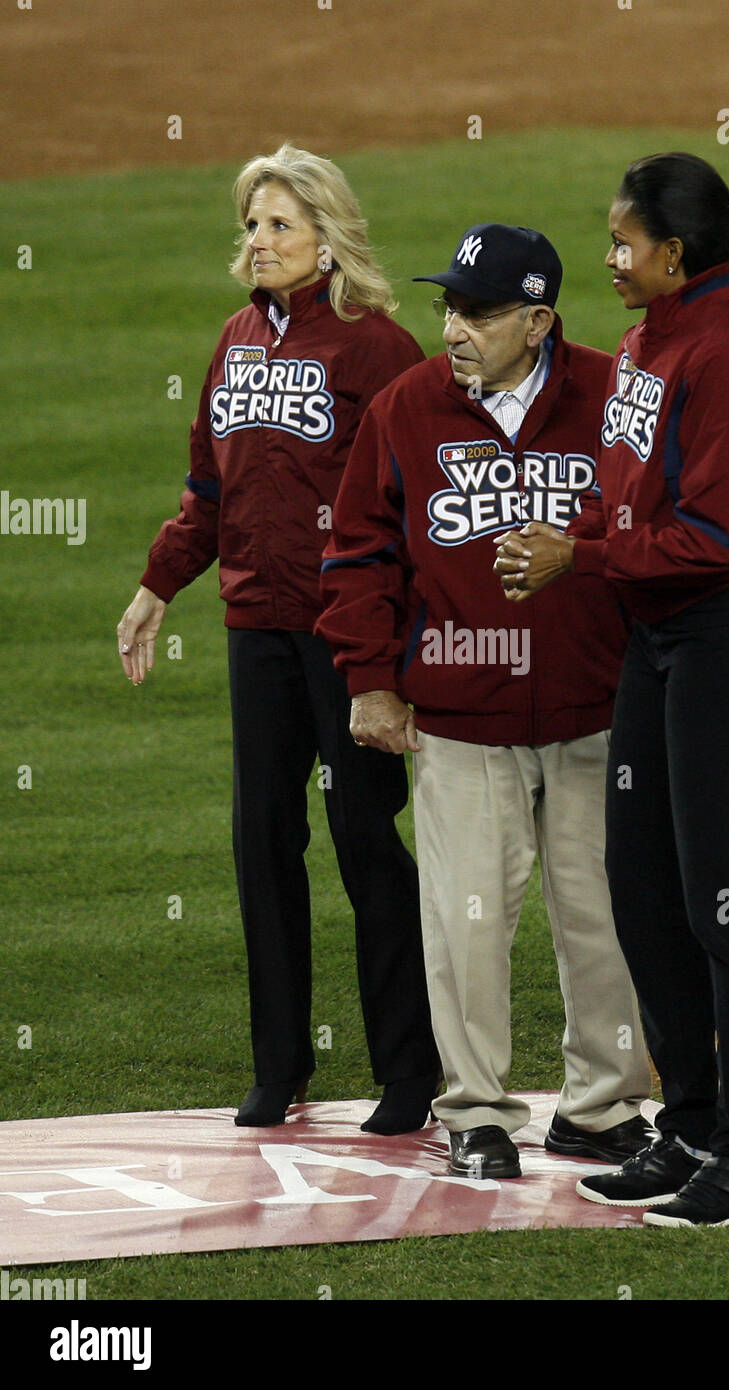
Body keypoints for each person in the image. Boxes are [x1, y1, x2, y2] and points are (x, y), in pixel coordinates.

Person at [494, 154, 729, 1224]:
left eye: (623, 242)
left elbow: (719, 537)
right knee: (641, 885)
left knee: (725, 894)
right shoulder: (645, 344)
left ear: (675, 254)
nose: (608, 258)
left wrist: (577, 561)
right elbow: (634, 503)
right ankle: (684, 1126)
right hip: (660, 634)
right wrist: (575, 536)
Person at [116, 143, 440, 1131]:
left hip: (343, 638)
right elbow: (209, 491)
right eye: (252, 224)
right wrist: (156, 585)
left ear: (327, 237)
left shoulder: (377, 349)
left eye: (279, 225)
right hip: (255, 628)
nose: (258, 241)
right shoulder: (235, 342)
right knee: (263, 839)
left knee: (361, 839)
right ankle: (279, 1065)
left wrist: (399, 648)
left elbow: (413, 503)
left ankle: (407, 1072)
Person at [318, 223, 652, 1179]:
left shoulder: (610, 398)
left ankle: (599, 1107)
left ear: (539, 320)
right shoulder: (406, 407)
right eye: (449, 308)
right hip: (461, 714)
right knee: (465, 924)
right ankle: (476, 1116)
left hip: (598, 707)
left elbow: (650, 532)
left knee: (605, 918)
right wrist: (372, 677)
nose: (454, 329)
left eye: (479, 312)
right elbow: (359, 551)